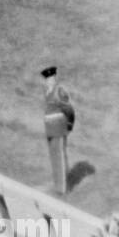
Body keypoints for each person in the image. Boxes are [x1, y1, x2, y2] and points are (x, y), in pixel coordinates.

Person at [42, 66, 74, 195]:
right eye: (47, 79)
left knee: (59, 155)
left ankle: (62, 188)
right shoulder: (48, 91)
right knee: (54, 155)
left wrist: (70, 123)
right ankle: (58, 185)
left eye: (50, 79)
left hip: (58, 125)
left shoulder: (59, 90)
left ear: (54, 78)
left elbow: (68, 108)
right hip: (50, 126)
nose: (48, 81)